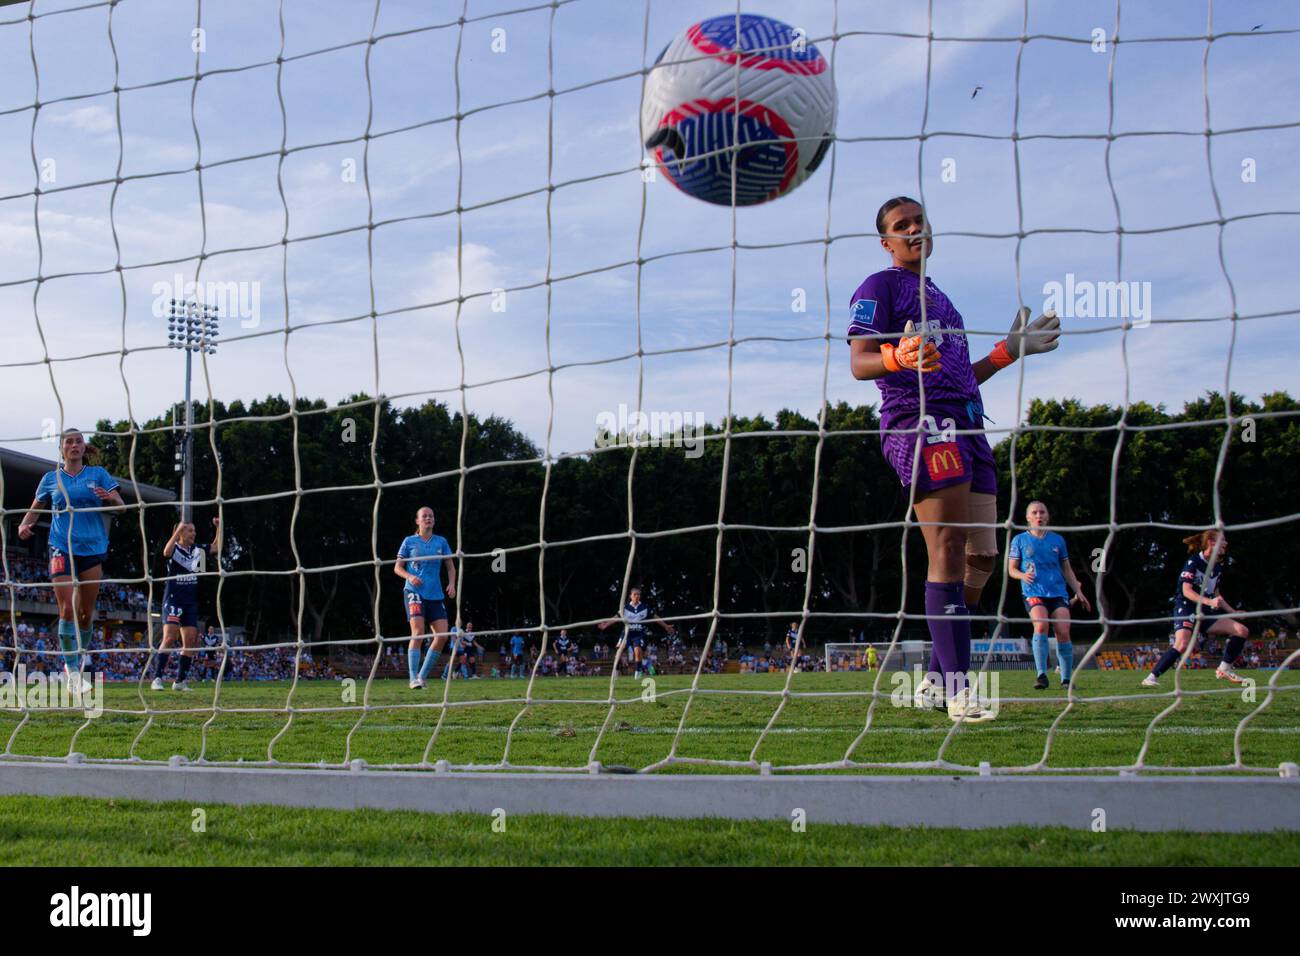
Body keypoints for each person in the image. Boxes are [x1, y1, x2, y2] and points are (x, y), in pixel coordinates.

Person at [848, 196, 1062, 722]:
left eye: (920, 221)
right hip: (920, 422)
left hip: (969, 424)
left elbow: (964, 374)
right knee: (945, 545)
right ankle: (961, 692)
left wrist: (1008, 352)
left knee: (983, 559)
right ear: (886, 241)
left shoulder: (944, 301)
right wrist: (898, 355)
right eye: (902, 225)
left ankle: (936, 682)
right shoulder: (880, 286)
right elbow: (859, 362)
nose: (915, 229)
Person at [17, 428, 125, 694]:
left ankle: (79, 657)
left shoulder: (97, 475)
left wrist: (111, 498)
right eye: (69, 442)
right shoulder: (50, 479)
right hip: (60, 547)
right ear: (62, 448)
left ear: (84, 447)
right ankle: (72, 671)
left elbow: (121, 506)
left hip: (92, 548)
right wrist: (23, 524)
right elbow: (36, 508)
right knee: (66, 609)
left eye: (78, 441)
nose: (74, 445)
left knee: (86, 613)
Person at [1142, 530, 1250, 687]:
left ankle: (1224, 669)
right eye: (1223, 540)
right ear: (1212, 542)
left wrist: (1233, 612)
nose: (1226, 544)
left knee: (1242, 630)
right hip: (1186, 607)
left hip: (1205, 611)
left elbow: (1216, 593)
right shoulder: (1193, 561)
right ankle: (1151, 678)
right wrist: (1210, 602)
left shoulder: (1217, 567)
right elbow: (1186, 591)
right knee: (1182, 644)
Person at [1007, 500, 1091, 690]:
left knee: (1063, 631)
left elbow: (1067, 569)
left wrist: (1078, 591)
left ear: (1047, 516)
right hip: (1033, 591)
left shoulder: (1057, 540)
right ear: (1028, 517)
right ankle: (1041, 675)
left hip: (1057, 592)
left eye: (1042, 512)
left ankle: (1066, 680)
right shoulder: (1019, 540)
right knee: (1041, 625)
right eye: (1035, 513)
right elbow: (1011, 569)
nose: (1039, 516)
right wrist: (1022, 575)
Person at [146, 518, 221, 691]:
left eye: (194, 531)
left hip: (190, 601)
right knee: (170, 637)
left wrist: (218, 528)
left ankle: (179, 681)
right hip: (173, 599)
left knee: (191, 641)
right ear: (180, 533)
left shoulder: (197, 550)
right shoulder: (175, 549)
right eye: (189, 531)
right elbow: (166, 551)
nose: (193, 533)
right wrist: (176, 531)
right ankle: (157, 678)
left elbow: (216, 547)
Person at [394, 506, 457, 689]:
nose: (428, 518)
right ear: (418, 521)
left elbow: (451, 567)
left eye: (431, 515)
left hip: (435, 594)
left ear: (434, 520)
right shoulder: (409, 541)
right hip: (414, 591)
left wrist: (452, 584)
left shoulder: (441, 542)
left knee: (443, 635)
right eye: (424, 516)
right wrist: (410, 576)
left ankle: (422, 676)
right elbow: (397, 568)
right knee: (418, 632)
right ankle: (413, 678)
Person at [597, 586, 675, 680]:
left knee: (638, 651)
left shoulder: (644, 607)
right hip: (626, 633)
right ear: (631, 596)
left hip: (638, 634)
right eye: (635, 594)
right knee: (619, 652)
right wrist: (606, 624)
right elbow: (616, 617)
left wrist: (666, 626)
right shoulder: (625, 607)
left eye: (638, 594)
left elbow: (655, 617)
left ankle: (638, 673)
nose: (637, 596)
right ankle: (616, 670)